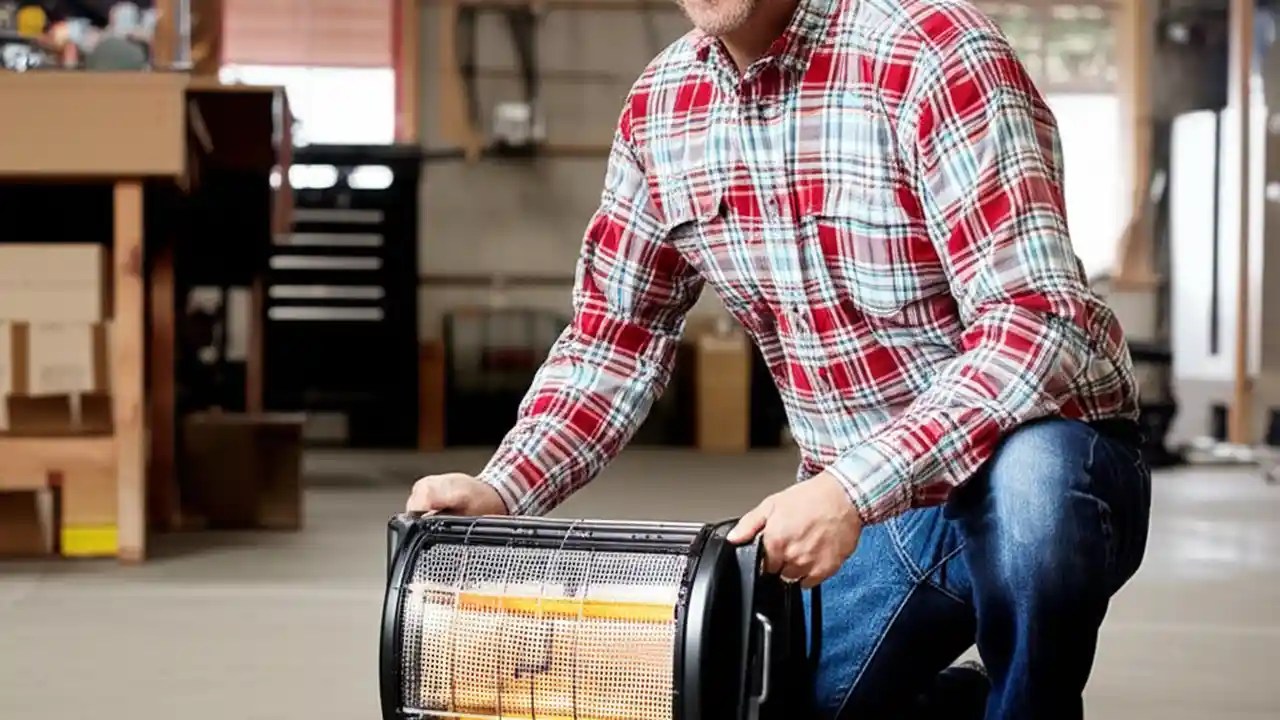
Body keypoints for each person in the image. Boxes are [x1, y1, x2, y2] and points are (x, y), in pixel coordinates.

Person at [406, 0, 1152, 717]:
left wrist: (850, 490)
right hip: (874, 508)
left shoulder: (934, 54)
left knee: (1035, 495)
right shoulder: (662, 112)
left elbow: (1033, 321)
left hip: (1040, 454)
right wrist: (502, 489)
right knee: (753, 696)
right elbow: (615, 339)